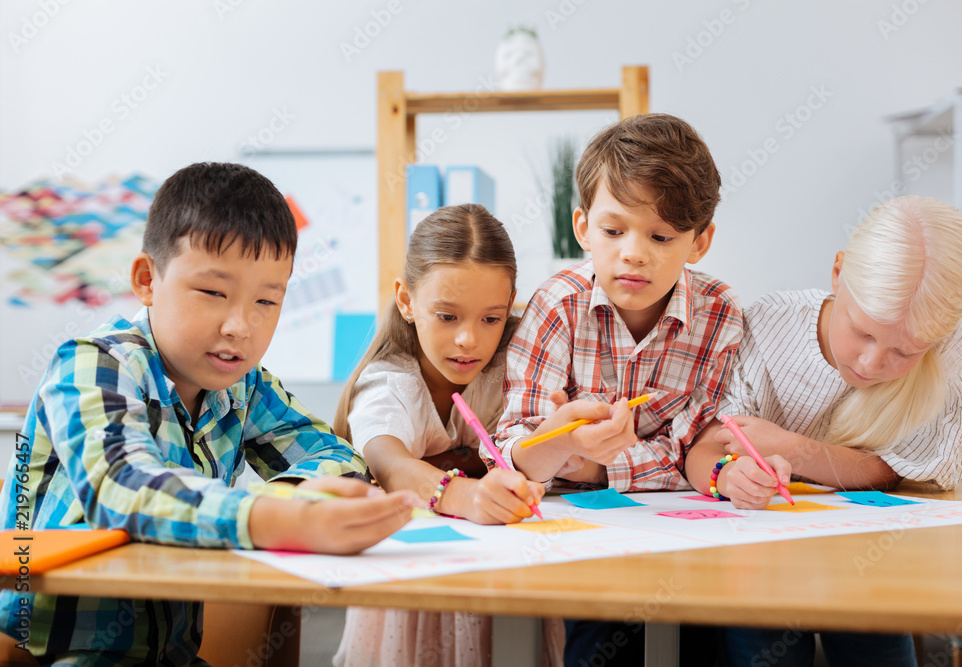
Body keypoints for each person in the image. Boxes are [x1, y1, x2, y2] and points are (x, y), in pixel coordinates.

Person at [0, 162, 420, 666]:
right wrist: (272, 518)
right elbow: (121, 487)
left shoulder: (244, 385)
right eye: (213, 293)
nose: (240, 326)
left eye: (266, 300)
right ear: (147, 280)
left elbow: (340, 456)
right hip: (59, 653)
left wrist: (292, 498)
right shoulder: (95, 365)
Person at [686, 195, 962, 666]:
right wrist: (726, 475)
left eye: (905, 352)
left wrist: (797, 451)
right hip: (761, 557)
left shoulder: (945, 334)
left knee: (875, 637)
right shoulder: (769, 324)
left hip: (873, 558)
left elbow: (911, 471)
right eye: (862, 332)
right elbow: (704, 450)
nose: (872, 363)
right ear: (838, 273)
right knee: (762, 638)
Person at [492, 114, 744, 667]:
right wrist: (560, 443)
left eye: (661, 236)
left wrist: (588, 464)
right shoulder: (557, 306)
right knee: (599, 645)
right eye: (613, 231)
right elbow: (509, 453)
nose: (633, 253)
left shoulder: (719, 315)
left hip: (687, 535)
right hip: (585, 535)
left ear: (700, 241)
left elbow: (696, 450)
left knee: (707, 641)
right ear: (582, 227)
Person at [331, 204, 550, 667]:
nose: (469, 340)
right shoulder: (390, 384)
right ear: (407, 301)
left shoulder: (515, 366)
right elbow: (389, 466)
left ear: (510, 304)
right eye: (448, 316)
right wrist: (467, 493)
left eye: (491, 319)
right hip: (414, 586)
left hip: (508, 576)